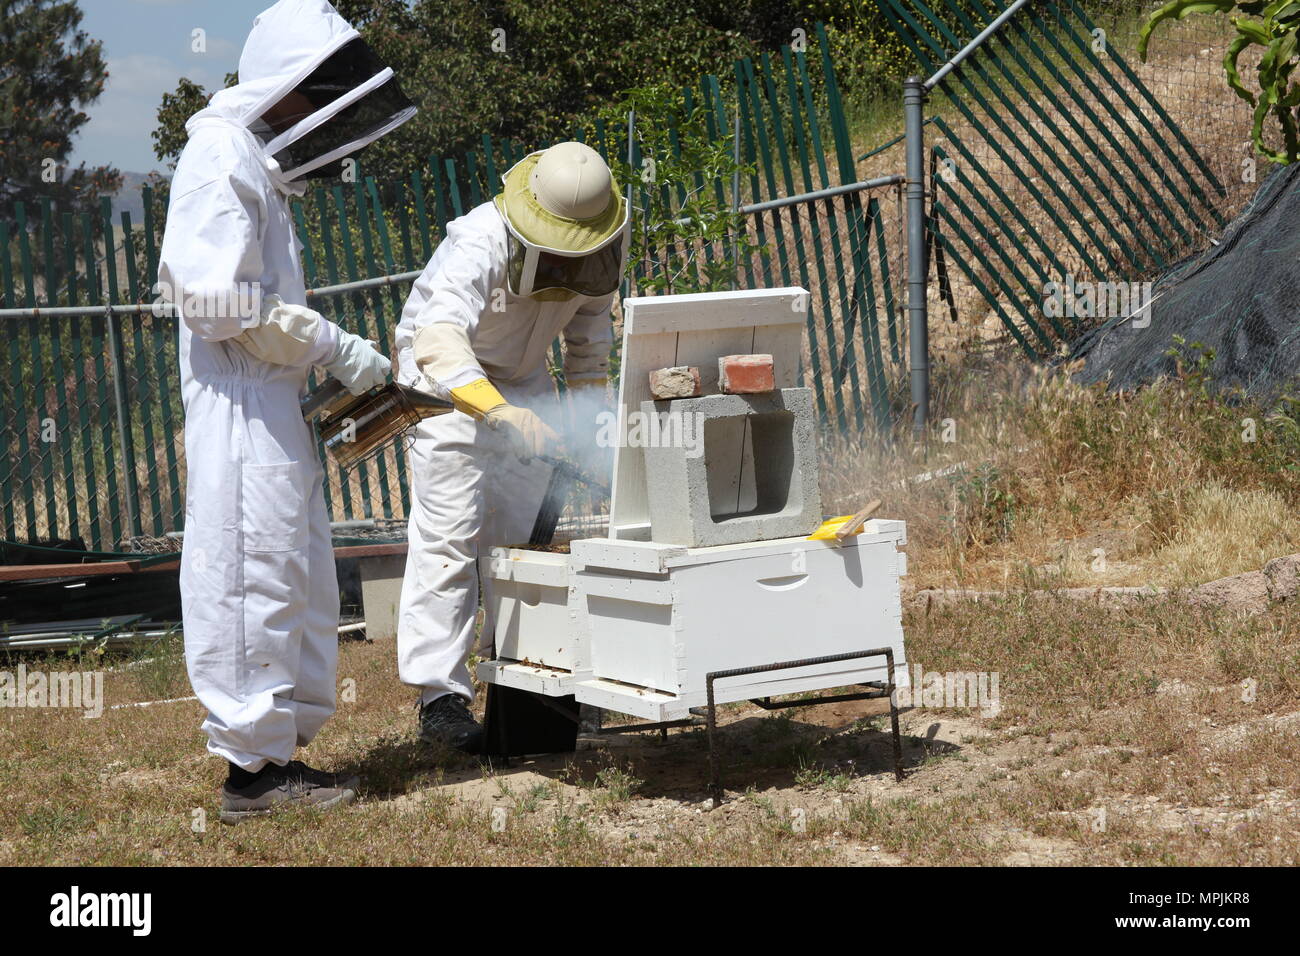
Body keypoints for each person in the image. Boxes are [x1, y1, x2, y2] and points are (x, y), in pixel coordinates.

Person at [157, 0, 416, 823]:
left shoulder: (252, 166)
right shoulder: (219, 157)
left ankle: (277, 753)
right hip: (239, 409)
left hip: (270, 406)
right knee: (247, 576)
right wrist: (333, 344)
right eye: (312, 93)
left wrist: (324, 357)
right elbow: (216, 303)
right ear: (282, 86)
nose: (314, 115)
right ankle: (251, 777)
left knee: (290, 573)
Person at [393, 142, 627, 752]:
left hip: (524, 383)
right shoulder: (478, 241)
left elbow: (588, 347)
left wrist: (588, 428)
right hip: (444, 385)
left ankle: (532, 685)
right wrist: (498, 412)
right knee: (449, 538)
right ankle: (439, 700)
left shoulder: (601, 248)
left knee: (526, 543)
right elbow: (437, 339)